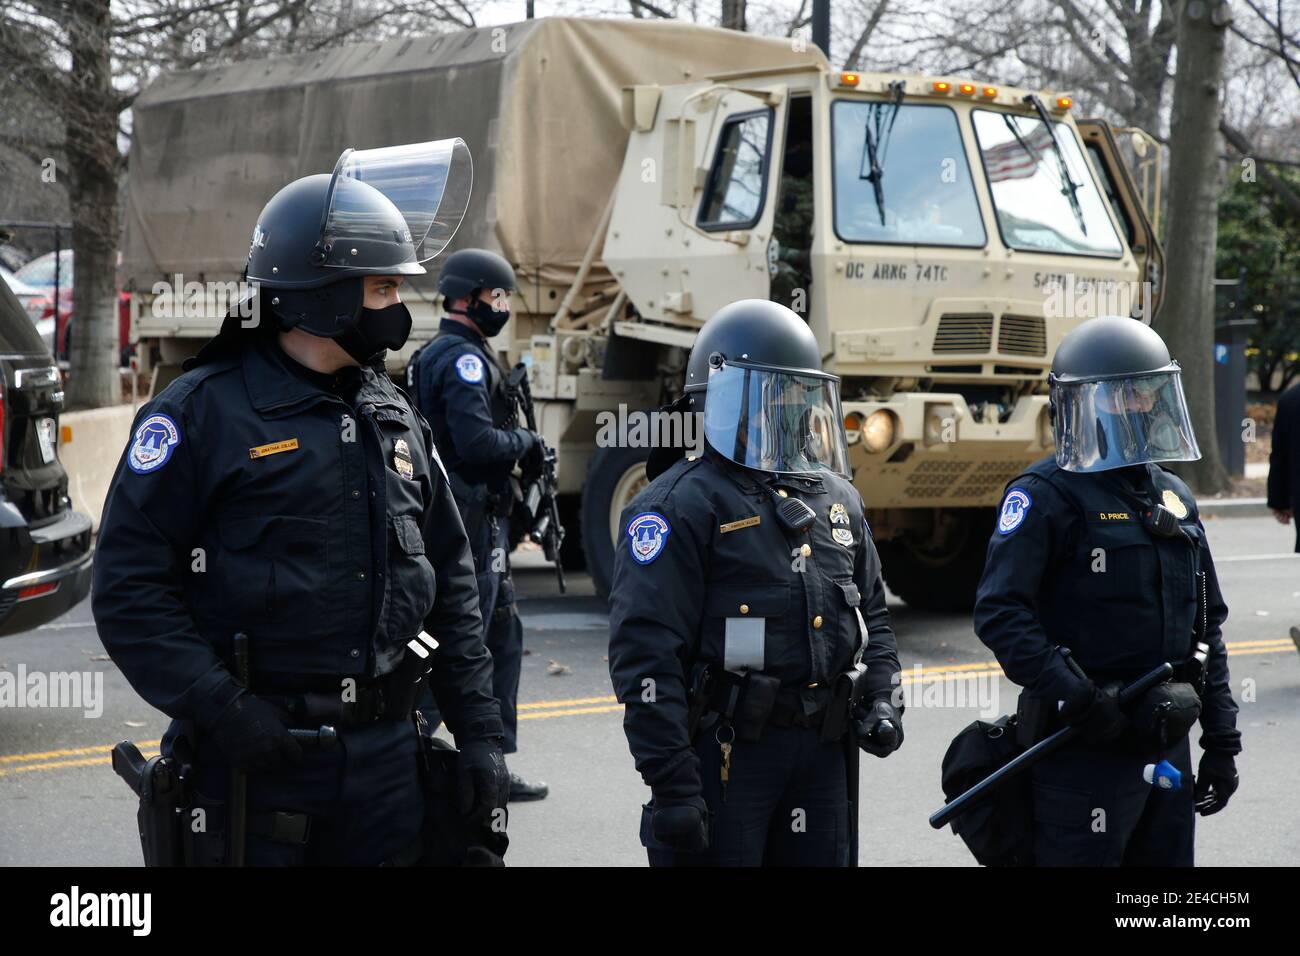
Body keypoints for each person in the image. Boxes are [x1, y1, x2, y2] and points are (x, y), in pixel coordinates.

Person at [93, 141, 510, 865]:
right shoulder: (198, 416)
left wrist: (479, 735)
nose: (398, 309)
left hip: (388, 767)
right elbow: (129, 588)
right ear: (322, 294)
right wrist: (222, 709)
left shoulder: (394, 412)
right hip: (259, 767)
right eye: (382, 290)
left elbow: (452, 585)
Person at [607, 299, 903, 867]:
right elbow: (645, 657)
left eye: (797, 396)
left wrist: (883, 700)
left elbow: (875, 620)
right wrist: (672, 783)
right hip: (728, 757)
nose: (786, 412)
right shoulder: (679, 506)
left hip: (822, 755)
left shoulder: (837, 499)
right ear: (718, 402)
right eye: (770, 395)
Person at [973, 315, 1242, 867]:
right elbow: (1001, 613)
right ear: (1084, 405)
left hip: (1166, 745)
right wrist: (1077, 695)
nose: (1139, 407)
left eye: (1148, 392)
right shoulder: (1046, 494)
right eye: (1122, 397)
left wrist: (1221, 742)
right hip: (1082, 752)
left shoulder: (1172, 496)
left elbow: (1206, 629)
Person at [409, 248, 549, 802]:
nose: (504, 306)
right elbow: (474, 443)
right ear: (467, 299)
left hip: (476, 519)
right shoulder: (462, 360)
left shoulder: (455, 353)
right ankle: (408, 746)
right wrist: (529, 443)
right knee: (463, 641)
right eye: (497, 296)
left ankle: (490, 760)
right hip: (467, 519)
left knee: (501, 637)